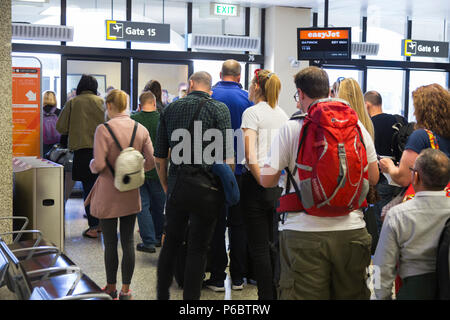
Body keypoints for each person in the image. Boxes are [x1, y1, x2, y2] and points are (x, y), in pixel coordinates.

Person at [261, 66, 379, 300]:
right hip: (352, 231)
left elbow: (267, 180)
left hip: (303, 232)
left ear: (301, 94)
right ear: (328, 91)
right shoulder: (356, 127)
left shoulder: (292, 128)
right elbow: (373, 177)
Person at [154, 71, 233, 300]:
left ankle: (162, 295)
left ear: (190, 84)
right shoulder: (220, 109)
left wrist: (167, 186)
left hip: (178, 184)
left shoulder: (170, 109)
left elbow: (160, 157)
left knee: (171, 244)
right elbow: (228, 158)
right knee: (198, 248)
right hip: (207, 188)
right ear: (210, 89)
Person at [85, 89, 155, 300]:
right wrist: (133, 167)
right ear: (127, 104)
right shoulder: (140, 128)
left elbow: (97, 165)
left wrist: (91, 165)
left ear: (109, 106)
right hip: (130, 192)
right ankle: (126, 290)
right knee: (127, 242)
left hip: (108, 193)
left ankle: (111, 288)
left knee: (110, 243)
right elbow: (151, 162)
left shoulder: (103, 130)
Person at [203, 59, 253, 292]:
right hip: (241, 171)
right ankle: (238, 277)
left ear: (220, 73)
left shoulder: (210, 98)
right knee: (238, 223)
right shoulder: (248, 100)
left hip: (213, 170)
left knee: (215, 223)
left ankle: (216, 277)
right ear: (240, 77)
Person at [373, 148, 450, 300]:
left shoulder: (397, 215)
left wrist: (382, 296)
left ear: (416, 176)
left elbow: (382, 267)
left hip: (414, 290)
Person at [240, 68, 289, 300]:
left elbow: (250, 155)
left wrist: (261, 180)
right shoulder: (283, 114)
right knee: (274, 244)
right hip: (279, 185)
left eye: (251, 84)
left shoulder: (251, 113)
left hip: (256, 184)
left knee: (259, 247)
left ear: (256, 86)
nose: (249, 88)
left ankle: (265, 298)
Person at [56, 74, 105, 239]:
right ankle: (102, 224)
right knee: (102, 188)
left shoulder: (72, 103)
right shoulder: (102, 102)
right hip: (102, 150)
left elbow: (60, 127)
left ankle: (93, 226)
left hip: (82, 152)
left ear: (80, 86)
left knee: (88, 188)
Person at [379, 83, 450, 186]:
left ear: (422, 111)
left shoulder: (420, 137)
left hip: (428, 199)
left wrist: (389, 167)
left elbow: (404, 178)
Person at [364, 90, 406, 233]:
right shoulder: (397, 121)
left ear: (367, 105)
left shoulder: (369, 125)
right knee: (398, 219)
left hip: (381, 180)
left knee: (381, 221)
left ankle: (382, 252)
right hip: (400, 176)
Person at [131, 91, 166, 253]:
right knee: (159, 205)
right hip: (159, 170)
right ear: (154, 103)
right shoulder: (162, 118)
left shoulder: (134, 120)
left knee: (142, 206)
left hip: (139, 169)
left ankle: (149, 242)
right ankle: (159, 236)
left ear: (140, 104)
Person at [42, 90, 61, 155]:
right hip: (57, 143)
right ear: (54, 99)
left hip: (43, 143)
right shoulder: (59, 112)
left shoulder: (39, 112)